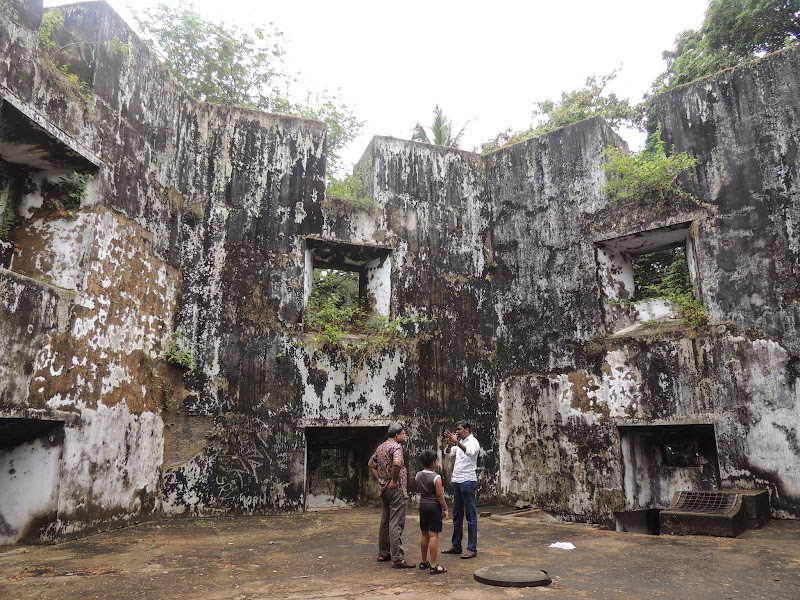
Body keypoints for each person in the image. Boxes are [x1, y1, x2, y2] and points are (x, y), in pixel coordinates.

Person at [368, 422, 415, 568]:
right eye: (403, 433)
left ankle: (383, 553)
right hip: (396, 489)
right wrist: (394, 480)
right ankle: (398, 558)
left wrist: (381, 479)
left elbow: (371, 463)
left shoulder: (381, 447)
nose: (404, 436)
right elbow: (397, 463)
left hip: (385, 489)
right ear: (397, 435)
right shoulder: (396, 447)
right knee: (396, 522)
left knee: (385, 521)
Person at [442, 420, 480, 559]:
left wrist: (457, 442)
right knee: (457, 515)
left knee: (471, 516)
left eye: (459, 429)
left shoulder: (473, 442)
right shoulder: (459, 442)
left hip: (468, 481)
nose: (457, 431)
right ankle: (456, 546)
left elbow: (470, 452)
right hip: (458, 481)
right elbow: (448, 453)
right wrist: (450, 443)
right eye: (456, 430)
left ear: (466, 430)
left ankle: (472, 548)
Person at [414, 449, 449, 574]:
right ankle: (434, 565)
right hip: (433, 506)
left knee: (424, 534)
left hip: (423, 504)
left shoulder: (418, 475)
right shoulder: (436, 477)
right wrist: (445, 508)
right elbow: (440, 495)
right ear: (434, 462)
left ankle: (424, 562)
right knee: (433, 535)